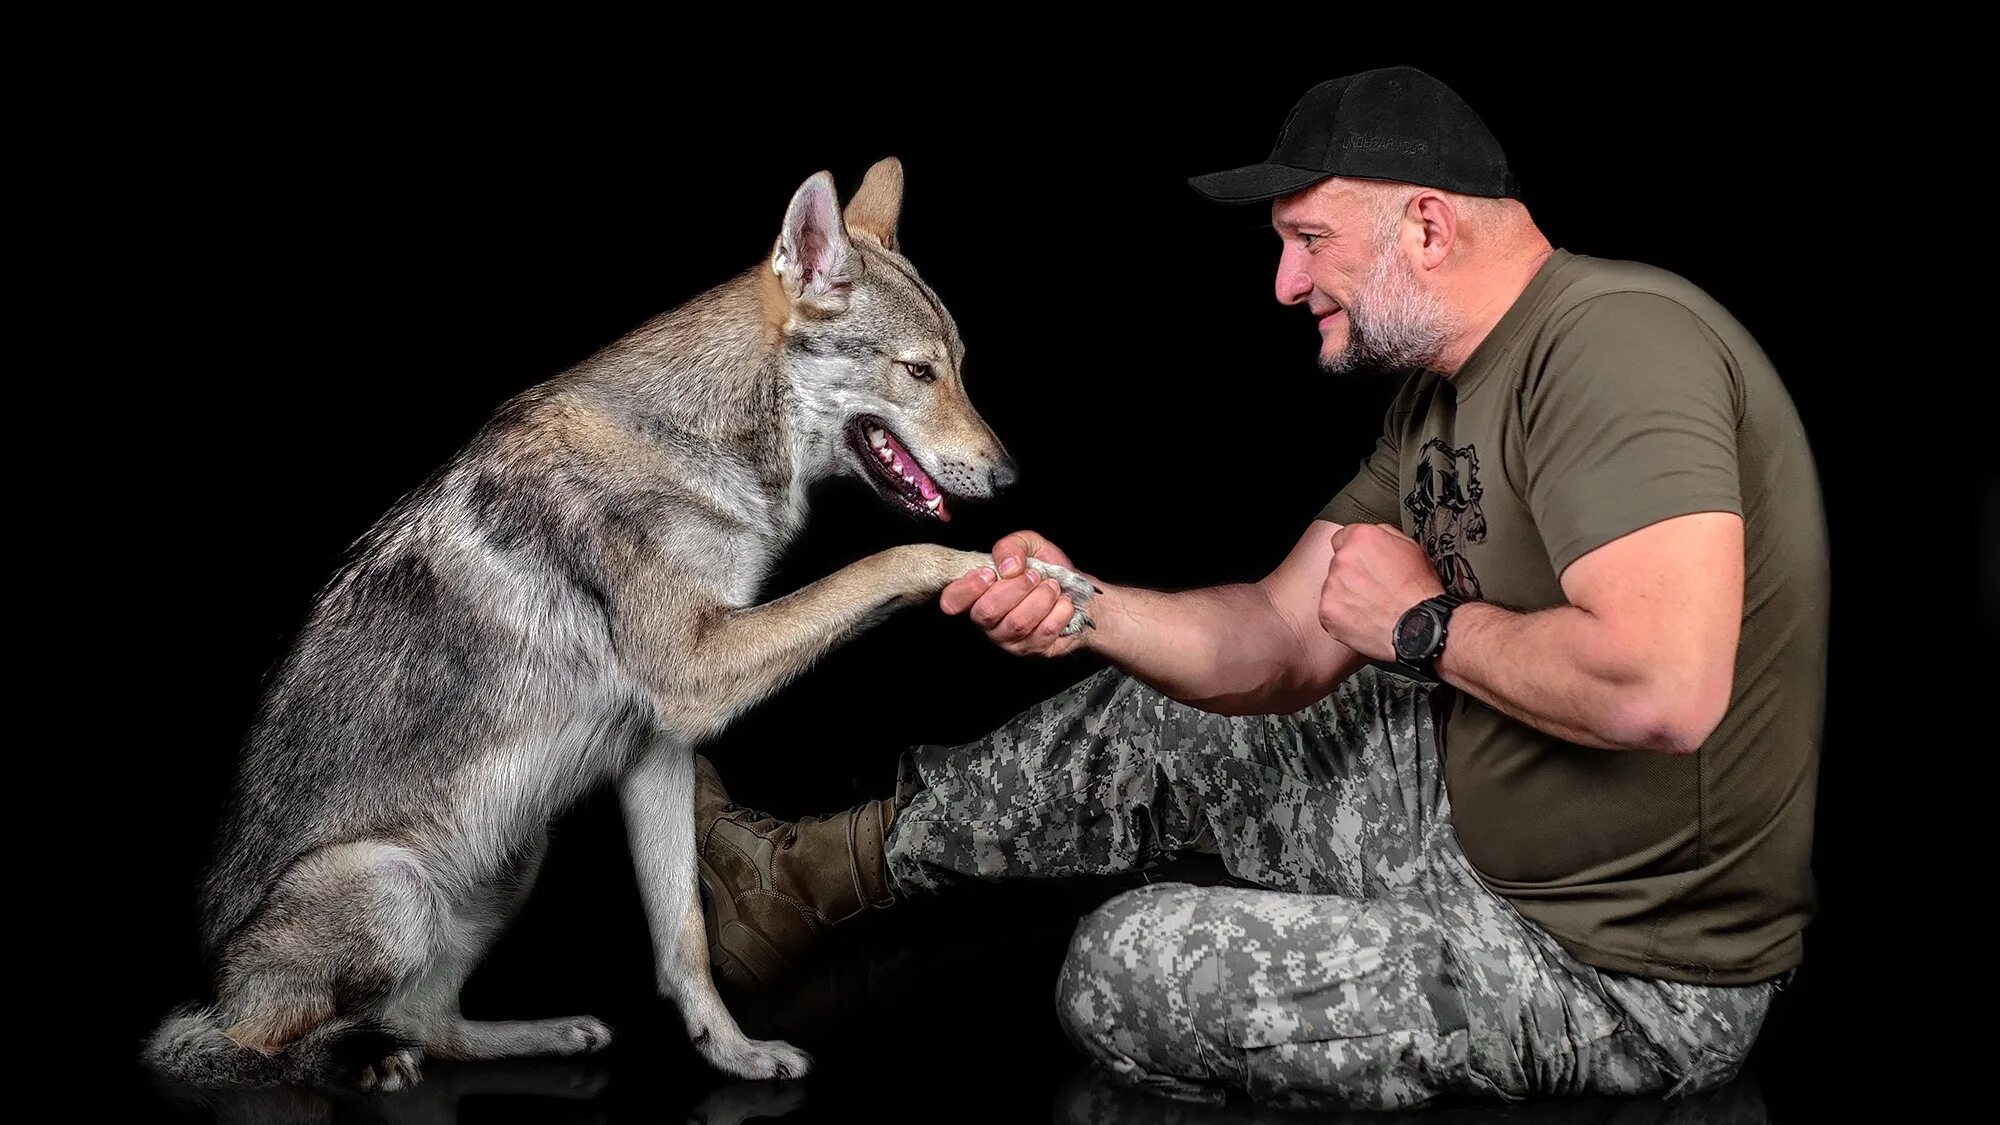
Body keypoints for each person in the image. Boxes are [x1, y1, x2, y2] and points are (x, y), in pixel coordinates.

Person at [689, 64, 1828, 1110]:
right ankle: (801, 883)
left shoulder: (1616, 343)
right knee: (1169, 706)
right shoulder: (1443, 395)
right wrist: (1077, 600)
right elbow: (1278, 637)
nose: (1285, 283)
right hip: (1474, 829)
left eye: (1309, 240)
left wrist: (1421, 626)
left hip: (1622, 969)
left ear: (1424, 225)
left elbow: (1662, 693)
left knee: (1123, 966)